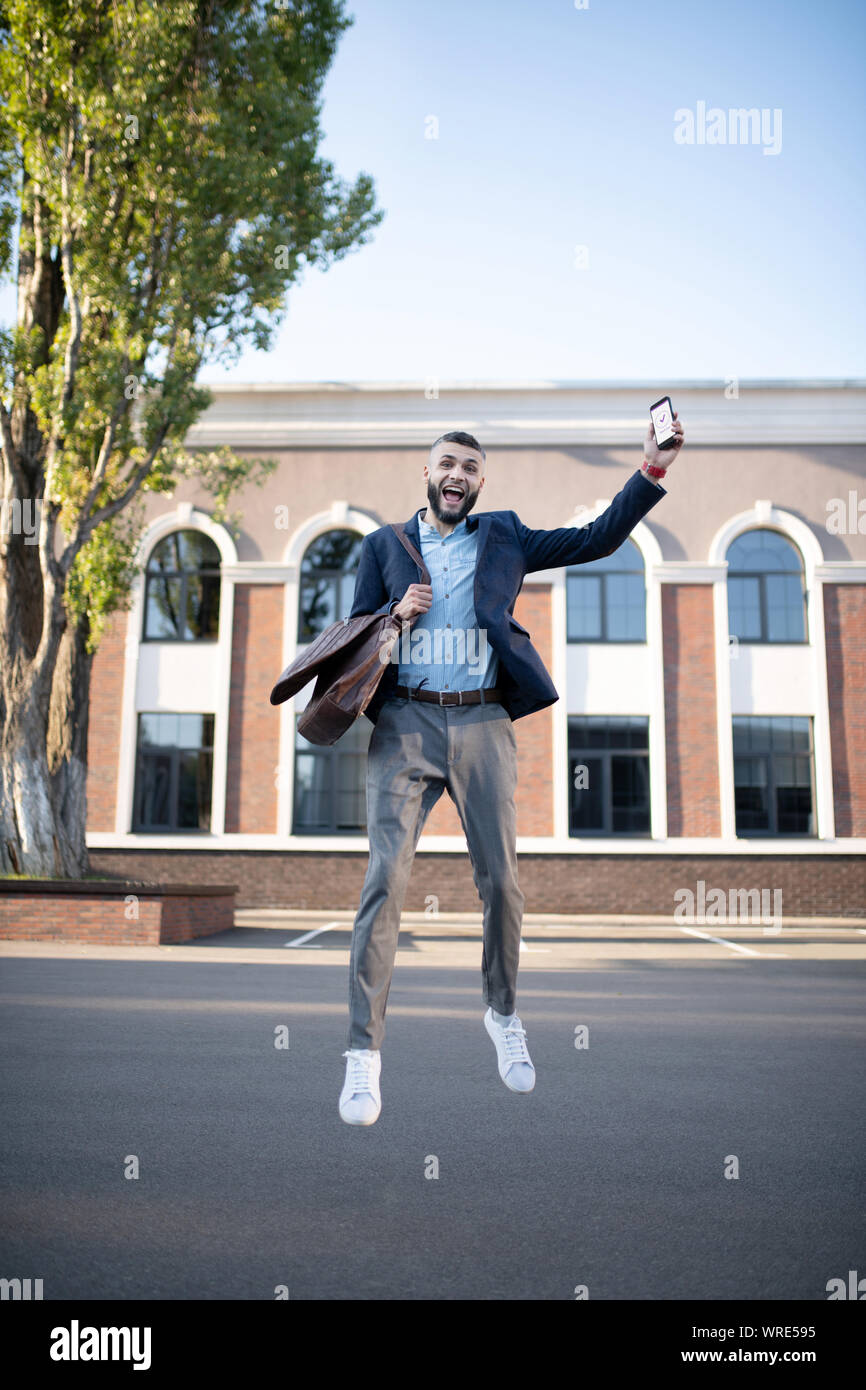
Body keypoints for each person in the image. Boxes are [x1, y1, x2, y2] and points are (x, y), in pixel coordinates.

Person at [339, 412, 685, 1123]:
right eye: (446, 464)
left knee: (502, 880)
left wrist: (650, 469)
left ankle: (502, 1015)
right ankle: (363, 1055)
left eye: (469, 468)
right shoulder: (382, 547)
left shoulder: (505, 536)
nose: (456, 476)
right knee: (385, 881)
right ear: (427, 473)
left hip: (483, 720)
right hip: (405, 721)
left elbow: (595, 538)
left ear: (480, 481)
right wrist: (393, 619)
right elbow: (351, 645)